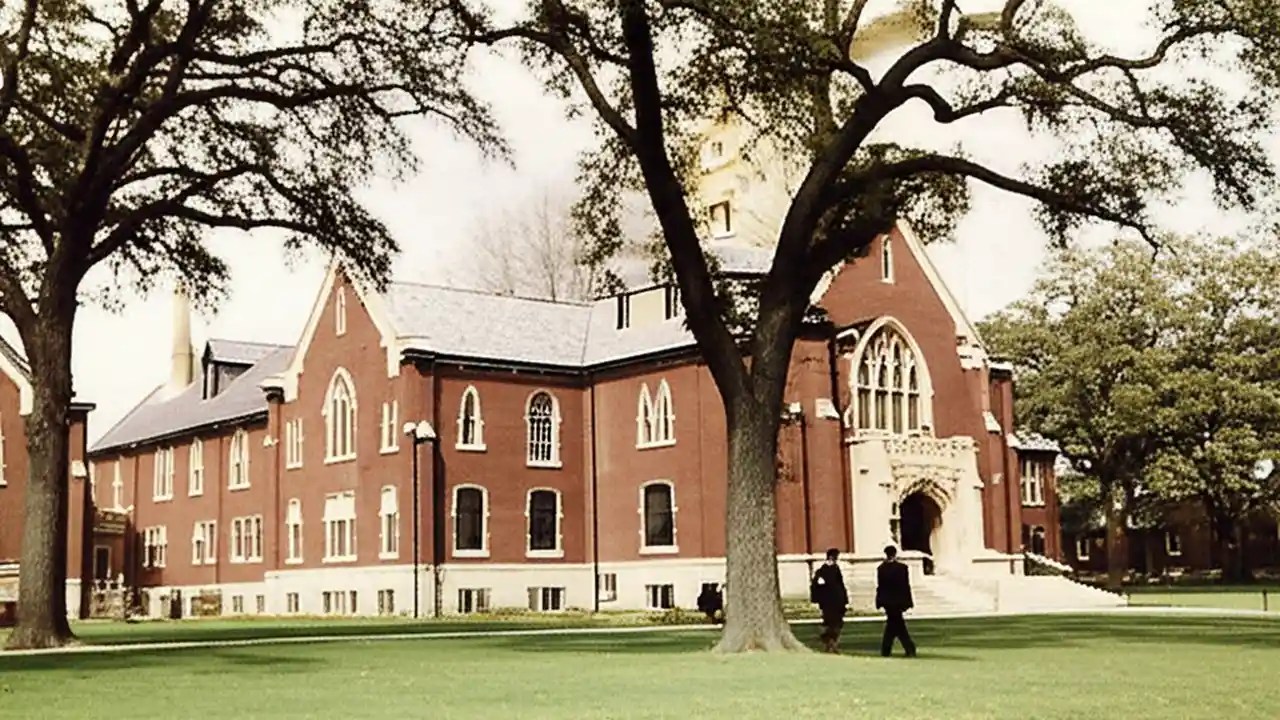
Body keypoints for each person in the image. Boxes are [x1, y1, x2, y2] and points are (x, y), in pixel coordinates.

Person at [875, 545, 917, 657]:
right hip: (898, 601)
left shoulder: (881, 569)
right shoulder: (902, 568)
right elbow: (905, 586)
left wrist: (879, 601)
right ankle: (909, 648)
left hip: (888, 601)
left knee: (893, 625)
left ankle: (887, 649)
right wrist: (908, 601)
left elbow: (880, 587)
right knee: (898, 626)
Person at [810, 548, 848, 653]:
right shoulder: (822, 571)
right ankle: (830, 643)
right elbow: (816, 587)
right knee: (831, 624)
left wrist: (844, 600)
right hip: (828, 602)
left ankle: (832, 644)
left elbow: (840, 586)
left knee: (836, 624)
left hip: (837, 602)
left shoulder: (835, 569)